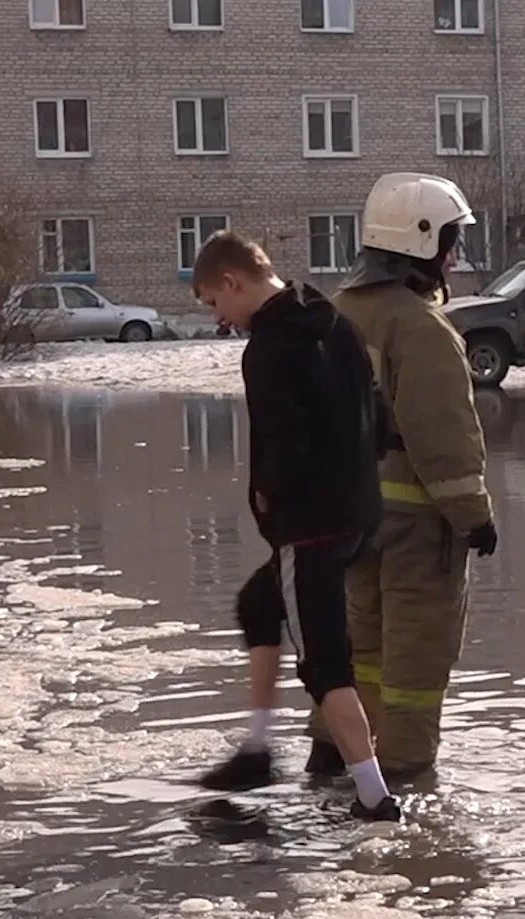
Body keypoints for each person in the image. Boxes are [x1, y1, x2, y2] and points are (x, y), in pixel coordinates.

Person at [189, 231, 401, 821]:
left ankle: (375, 798)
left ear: (233, 282)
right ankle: (257, 750)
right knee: (260, 604)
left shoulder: (268, 349)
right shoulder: (334, 321)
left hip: (309, 527)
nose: (217, 318)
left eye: (213, 302)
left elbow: (284, 443)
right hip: (358, 511)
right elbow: (377, 414)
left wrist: (268, 498)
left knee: (323, 663)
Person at [301, 172, 498, 780]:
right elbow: (443, 437)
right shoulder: (420, 327)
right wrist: (476, 518)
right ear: (421, 243)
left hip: (346, 522)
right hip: (417, 527)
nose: (454, 255)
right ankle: (409, 786)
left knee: (359, 651)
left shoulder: (328, 317)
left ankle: (334, 763)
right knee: (414, 663)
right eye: (450, 240)